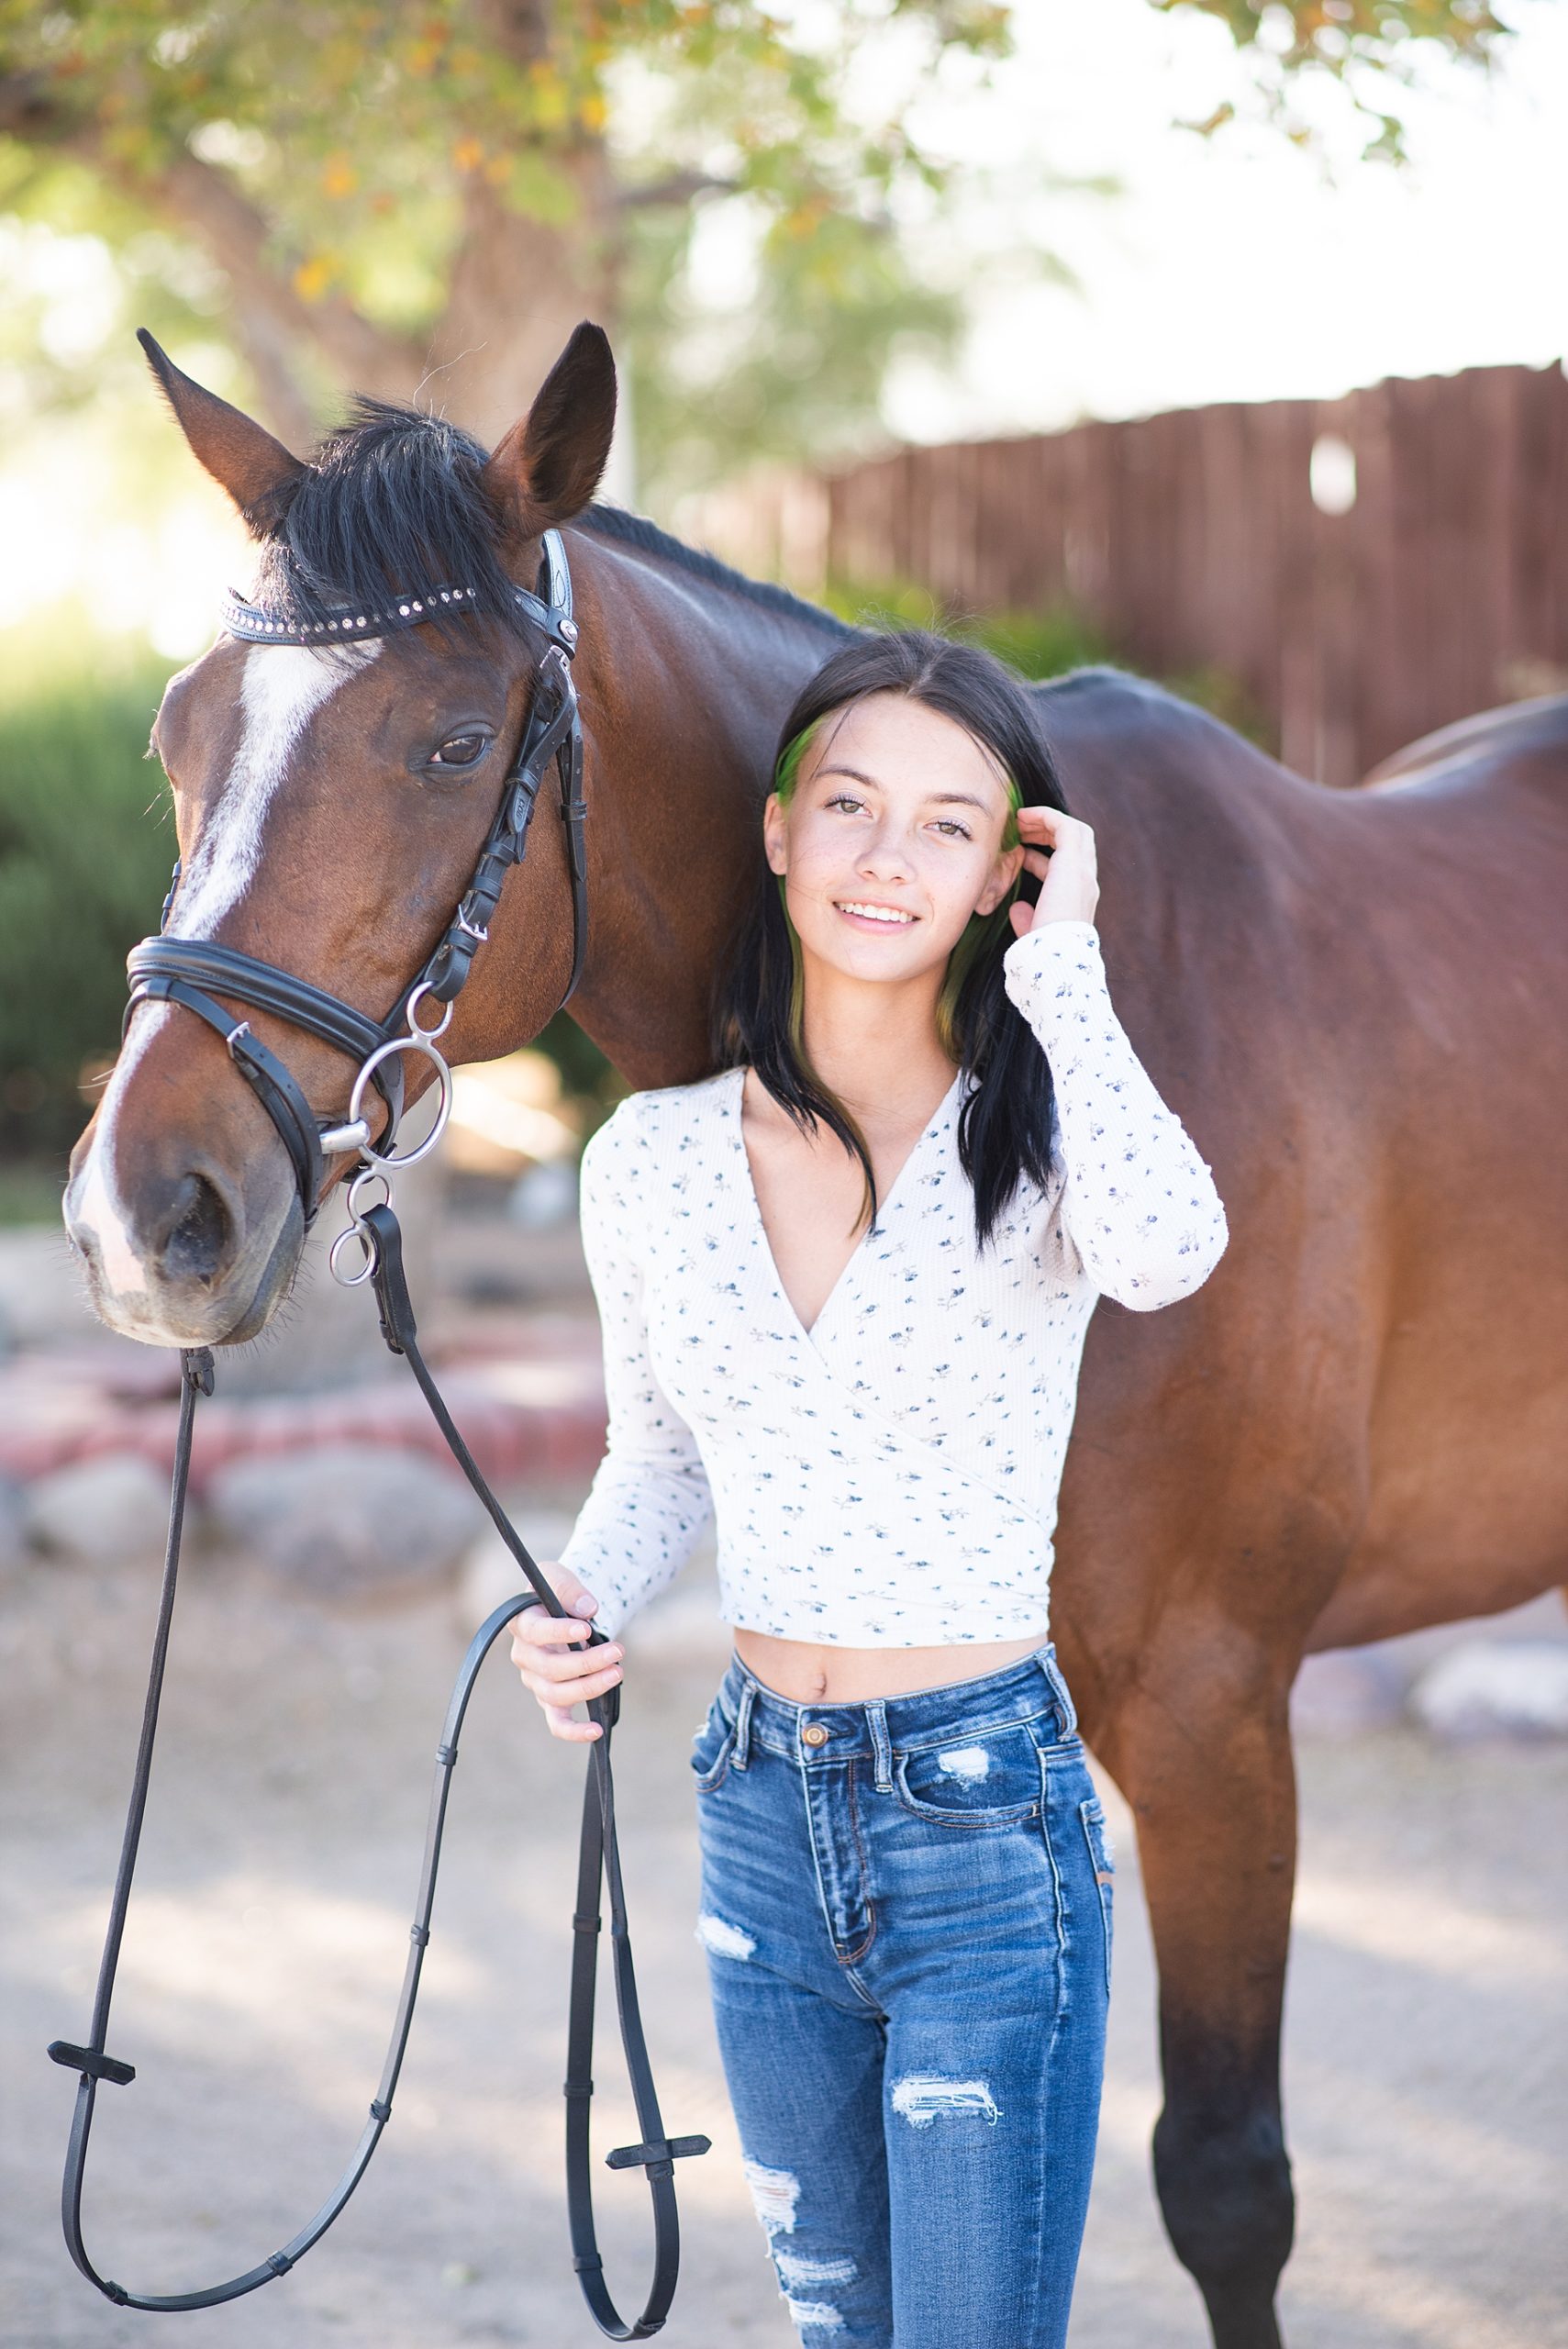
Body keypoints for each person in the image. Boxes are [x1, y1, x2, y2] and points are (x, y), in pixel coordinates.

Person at [510, 628, 1229, 2349]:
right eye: (848, 805)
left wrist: (1069, 977)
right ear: (777, 833)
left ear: (1004, 875)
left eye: (945, 826)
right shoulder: (652, 1163)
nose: (886, 856)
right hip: (760, 1811)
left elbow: (1176, 1252)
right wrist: (580, 1597)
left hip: (987, 1822)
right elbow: (661, 1454)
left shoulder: (1045, 1147)